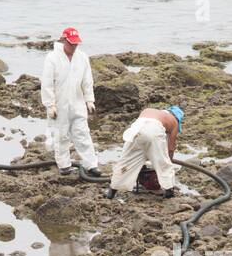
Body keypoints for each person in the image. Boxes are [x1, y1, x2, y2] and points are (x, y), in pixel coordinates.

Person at [40, 26, 101, 178]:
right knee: (61, 136)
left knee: (83, 134)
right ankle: (64, 165)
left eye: (76, 44)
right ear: (63, 41)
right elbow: (47, 84)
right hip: (60, 105)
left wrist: (89, 100)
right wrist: (50, 105)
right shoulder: (52, 58)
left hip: (78, 103)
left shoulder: (82, 57)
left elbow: (87, 81)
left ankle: (91, 165)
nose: (73, 47)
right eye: (71, 44)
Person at [105, 105, 183, 199]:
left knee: (126, 162)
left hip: (135, 131)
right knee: (164, 164)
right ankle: (169, 191)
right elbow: (171, 148)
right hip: (154, 130)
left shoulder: (149, 111)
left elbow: (144, 142)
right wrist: (168, 159)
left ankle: (112, 192)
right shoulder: (174, 121)